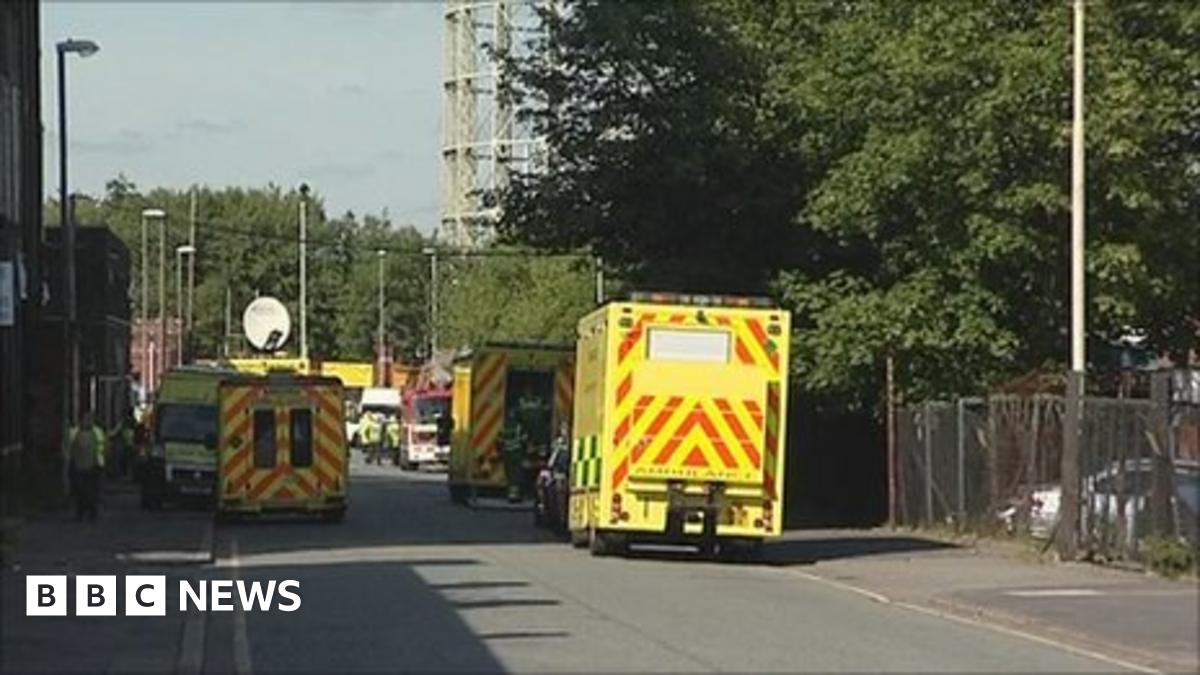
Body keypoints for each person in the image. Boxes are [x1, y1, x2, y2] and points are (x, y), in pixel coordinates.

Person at [68, 410, 107, 522]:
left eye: (89, 419)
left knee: (92, 491)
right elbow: (68, 448)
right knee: (80, 490)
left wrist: (100, 463)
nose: (87, 421)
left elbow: (103, 447)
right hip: (78, 465)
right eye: (85, 419)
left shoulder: (97, 432)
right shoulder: (74, 432)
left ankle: (92, 513)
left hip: (94, 466)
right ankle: (80, 512)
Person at [499, 409, 528, 503]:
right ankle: (515, 495)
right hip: (516, 454)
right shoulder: (519, 427)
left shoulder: (504, 427)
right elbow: (524, 440)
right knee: (516, 475)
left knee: (510, 475)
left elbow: (499, 441)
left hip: (507, 454)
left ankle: (510, 494)